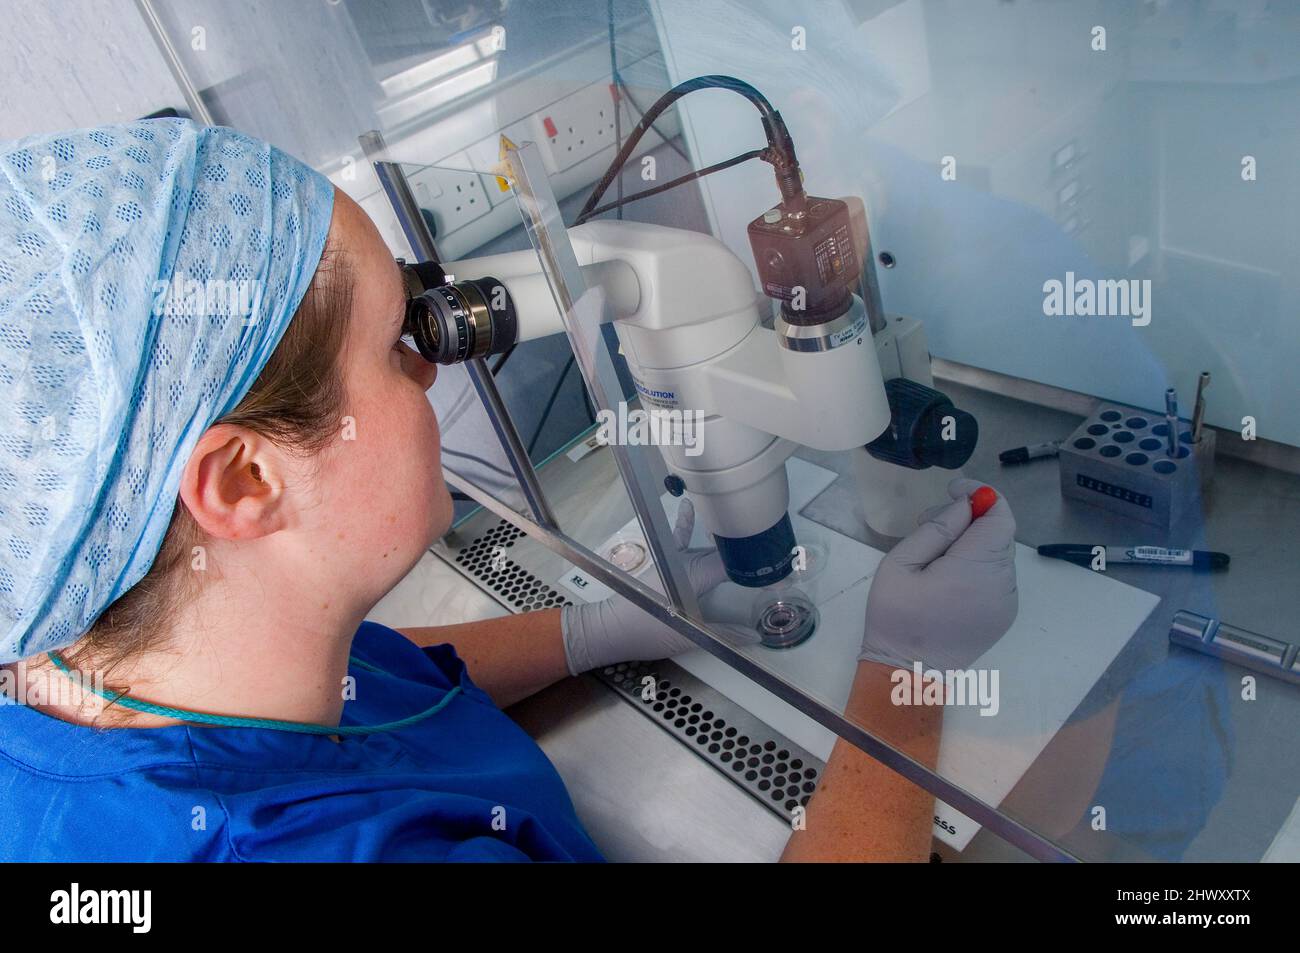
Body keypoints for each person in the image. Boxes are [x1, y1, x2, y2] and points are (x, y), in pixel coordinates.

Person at [0, 118, 1018, 862]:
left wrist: (605, 629)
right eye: (399, 344)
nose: (434, 368)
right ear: (247, 478)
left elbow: (377, 690)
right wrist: (906, 675)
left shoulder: (101, 667)